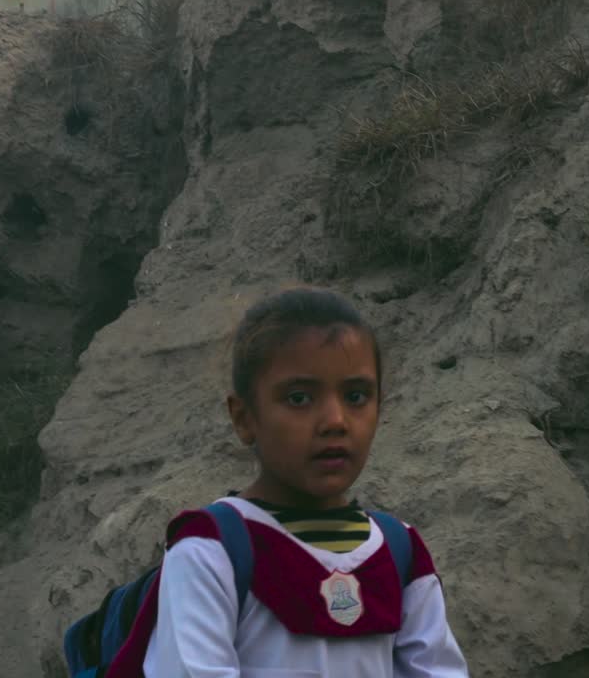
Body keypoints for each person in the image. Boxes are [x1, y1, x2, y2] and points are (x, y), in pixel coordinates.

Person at [140, 287, 469, 677]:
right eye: (299, 398)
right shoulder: (210, 552)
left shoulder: (401, 552)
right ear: (244, 418)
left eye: (357, 395)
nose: (335, 420)